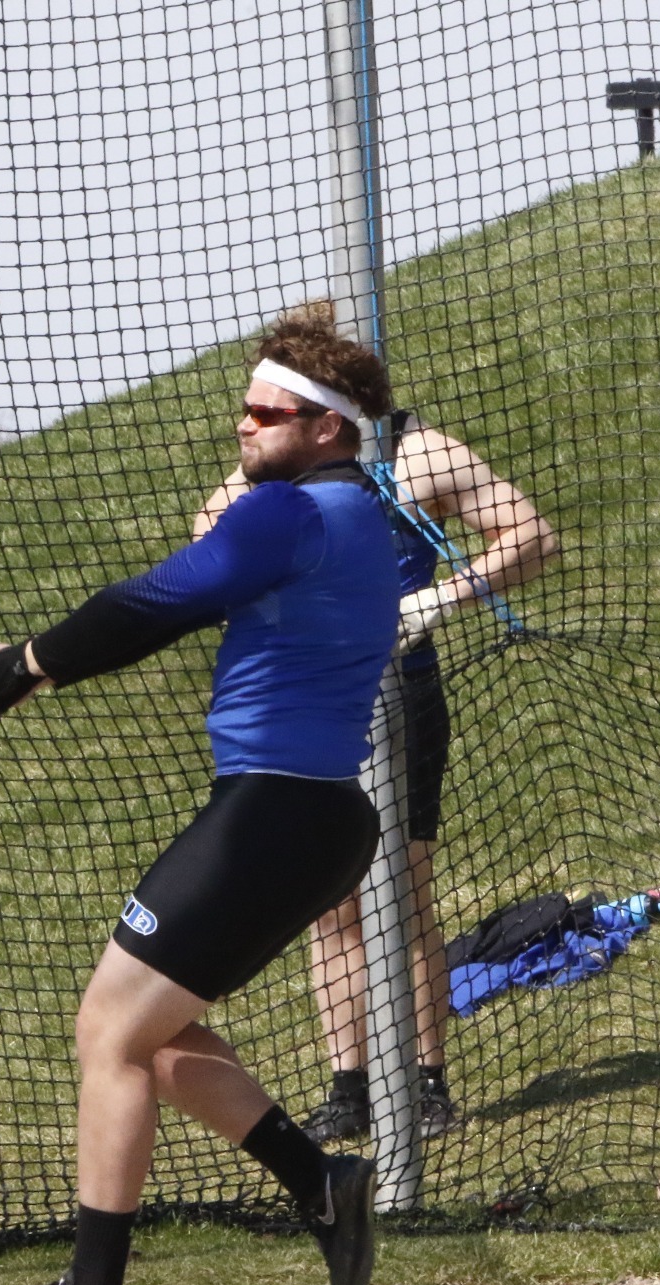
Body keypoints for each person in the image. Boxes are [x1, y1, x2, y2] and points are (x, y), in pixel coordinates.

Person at [0, 317, 400, 1285]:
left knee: (108, 1032)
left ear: (328, 429)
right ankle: (321, 1184)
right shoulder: (364, 513)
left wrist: (20, 667)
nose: (242, 428)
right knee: (149, 1038)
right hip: (315, 815)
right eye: (241, 409)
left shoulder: (286, 512)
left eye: (265, 413)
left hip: (274, 813)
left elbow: (147, 604)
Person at [194, 367, 558, 1143]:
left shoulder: (418, 452)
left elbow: (530, 535)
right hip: (310, 706)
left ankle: (426, 1082)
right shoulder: (280, 463)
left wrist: (438, 598)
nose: (248, 424)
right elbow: (208, 541)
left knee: (401, 887)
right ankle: (348, 1086)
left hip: (399, 696)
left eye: (269, 408)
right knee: (330, 909)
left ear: (332, 408)